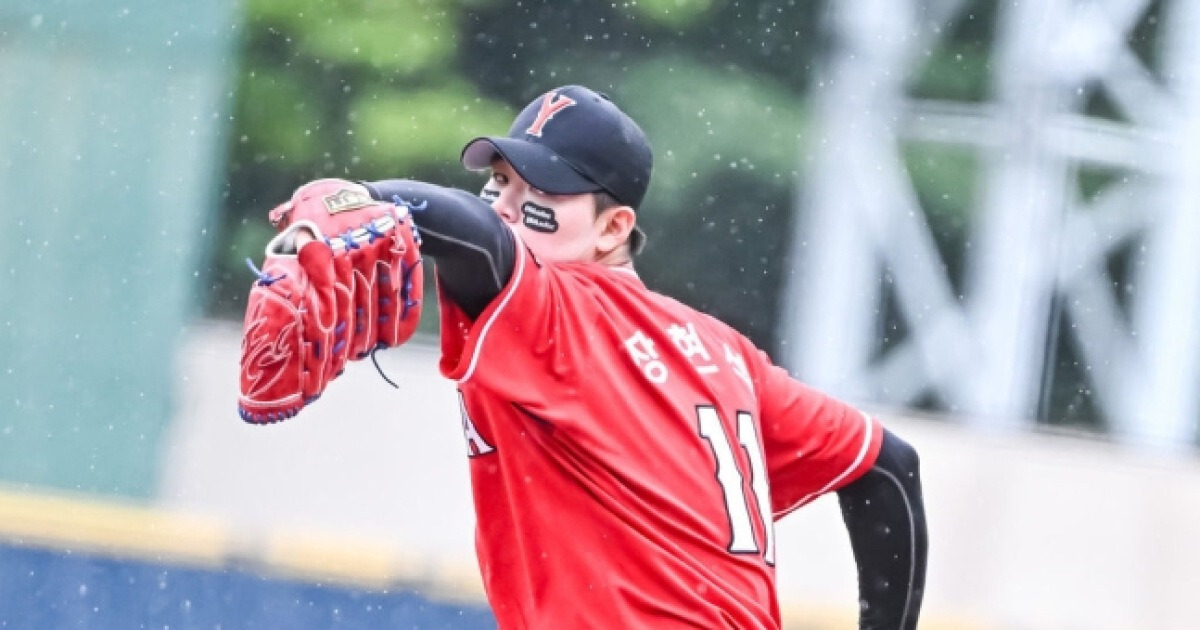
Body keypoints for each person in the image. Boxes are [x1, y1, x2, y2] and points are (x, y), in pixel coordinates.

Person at [304, 85, 928, 629]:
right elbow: (888, 466)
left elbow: (477, 238)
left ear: (611, 228)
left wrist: (351, 202)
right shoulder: (726, 354)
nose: (503, 204)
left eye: (538, 190)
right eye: (499, 181)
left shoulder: (563, 310)